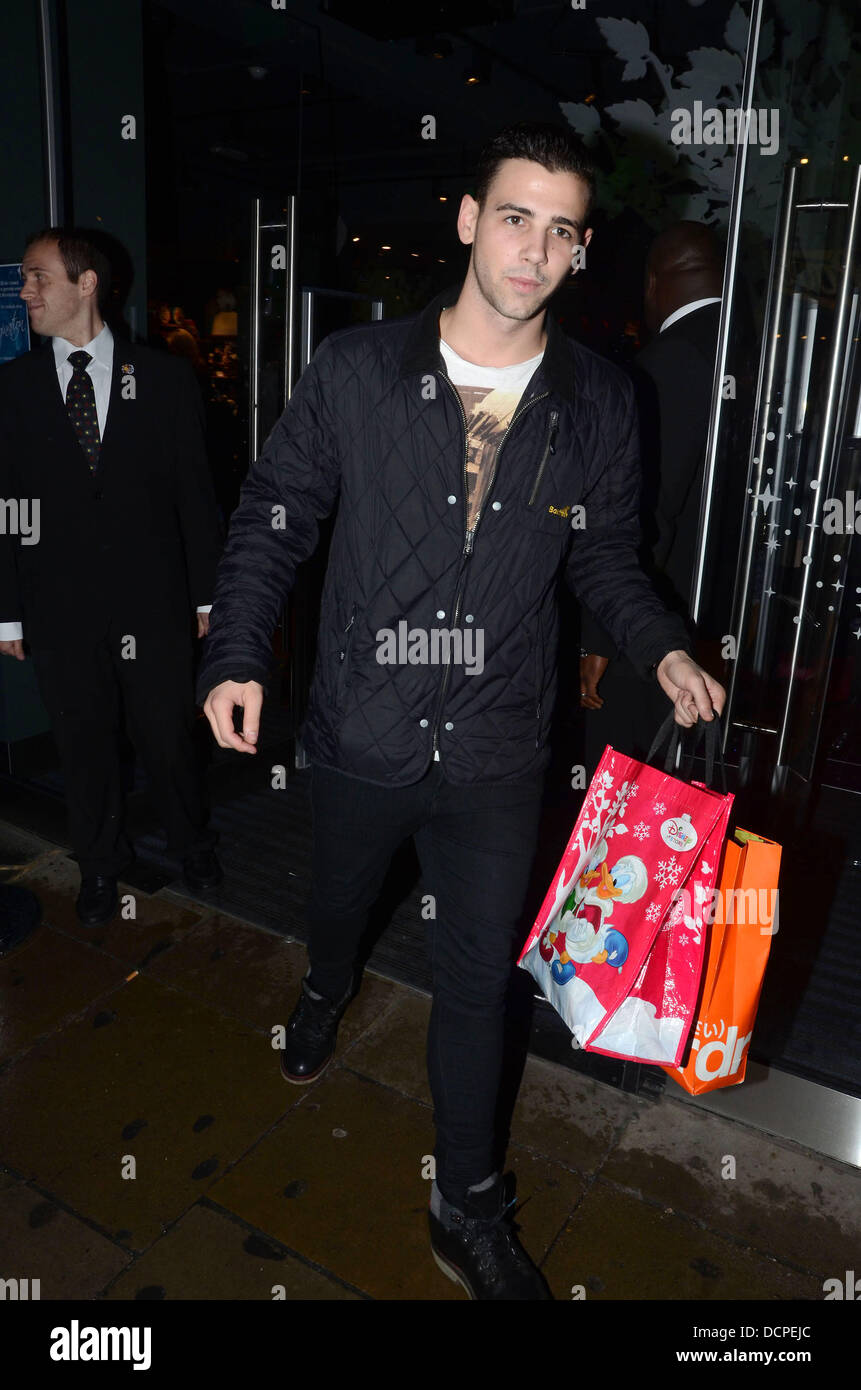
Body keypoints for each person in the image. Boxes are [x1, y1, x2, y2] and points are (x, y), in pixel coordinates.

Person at [196, 123, 726, 1300]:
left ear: (583, 250)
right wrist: (235, 648)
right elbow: (279, 508)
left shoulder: (602, 399)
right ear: (469, 221)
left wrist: (665, 646)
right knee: (338, 907)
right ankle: (326, 987)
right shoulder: (356, 369)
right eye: (516, 217)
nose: (535, 249)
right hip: (363, 734)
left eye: (562, 229)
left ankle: (467, 1203)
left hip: (498, 749)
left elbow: (609, 564)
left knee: (481, 981)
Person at [0, 228, 224, 926]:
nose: (25, 290)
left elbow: (195, 495)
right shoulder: (12, 386)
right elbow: (9, 506)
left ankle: (191, 842)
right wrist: (7, 612)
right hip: (59, 608)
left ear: (86, 282)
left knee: (167, 737)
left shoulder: (162, 378)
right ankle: (98, 864)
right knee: (82, 744)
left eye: (37, 277)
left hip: (153, 605)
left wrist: (208, 595)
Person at [579, 221, 724, 773]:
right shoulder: (755, 353)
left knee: (625, 785)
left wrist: (602, 637)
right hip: (724, 618)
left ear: (656, 282)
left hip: (653, 619)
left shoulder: (668, 363)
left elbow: (643, 512)